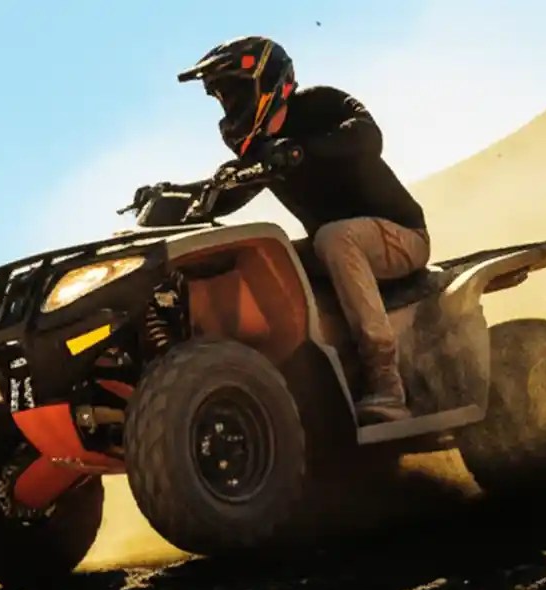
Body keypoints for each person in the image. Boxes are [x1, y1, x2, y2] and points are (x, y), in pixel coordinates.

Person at [135, 36, 430, 425]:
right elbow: (216, 196)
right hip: (339, 251)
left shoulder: (321, 105)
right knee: (262, 262)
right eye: (221, 97)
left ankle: (386, 384)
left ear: (267, 82)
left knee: (333, 238)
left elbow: (367, 135)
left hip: (402, 236)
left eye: (233, 91)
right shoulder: (262, 154)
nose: (228, 105)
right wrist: (166, 196)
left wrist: (302, 150)